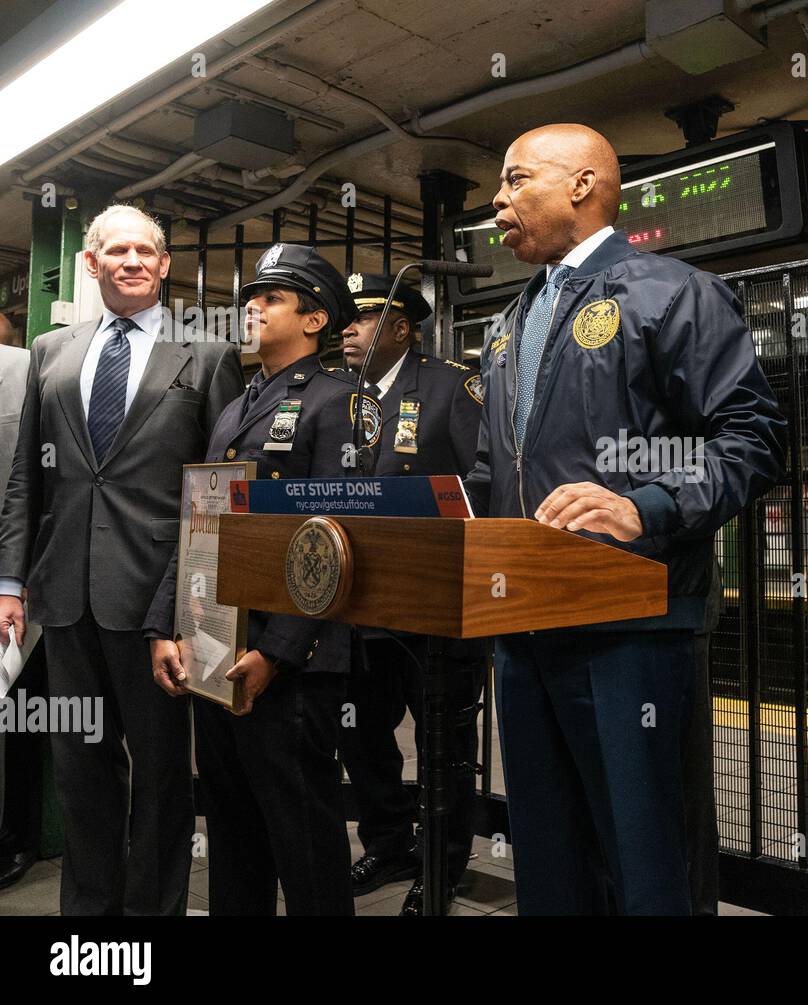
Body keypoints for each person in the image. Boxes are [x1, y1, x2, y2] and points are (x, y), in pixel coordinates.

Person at [465, 123, 787, 914]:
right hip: (524, 631)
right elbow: (491, 467)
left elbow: (753, 440)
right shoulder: (508, 323)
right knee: (548, 857)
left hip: (631, 630)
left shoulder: (673, 292)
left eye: (514, 180)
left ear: (582, 184)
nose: (497, 201)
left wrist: (644, 506)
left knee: (647, 864)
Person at [0, 204, 243, 915]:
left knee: (165, 775)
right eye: (117, 251)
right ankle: (89, 918)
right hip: (65, 600)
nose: (132, 261)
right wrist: (10, 580)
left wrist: (192, 611)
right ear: (92, 263)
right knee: (81, 770)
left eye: (146, 251)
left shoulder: (207, 354)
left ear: (165, 265)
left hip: (157, 608)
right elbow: (27, 478)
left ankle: (150, 915)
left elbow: (219, 495)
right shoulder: (52, 350)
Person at [144, 243, 376, 916]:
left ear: (314, 319)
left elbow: (337, 542)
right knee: (233, 832)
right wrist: (166, 622)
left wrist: (277, 650)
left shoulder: (340, 403)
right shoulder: (238, 404)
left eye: (271, 297)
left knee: (303, 838)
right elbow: (200, 518)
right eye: (252, 296)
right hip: (217, 644)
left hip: (288, 661)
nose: (252, 306)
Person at [335, 273, 486, 914]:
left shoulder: (452, 385)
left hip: (434, 603)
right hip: (357, 602)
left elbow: (483, 477)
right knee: (363, 737)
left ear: (401, 328)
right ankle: (389, 841)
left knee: (441, 743)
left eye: (362, 319)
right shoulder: (337, 392)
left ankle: (439, 866)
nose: (347, 328)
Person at [0, 338, 35, 891]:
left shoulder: (25, 367)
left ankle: (17, 837)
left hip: (17, 582)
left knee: (24, 715)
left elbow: (29, 483)